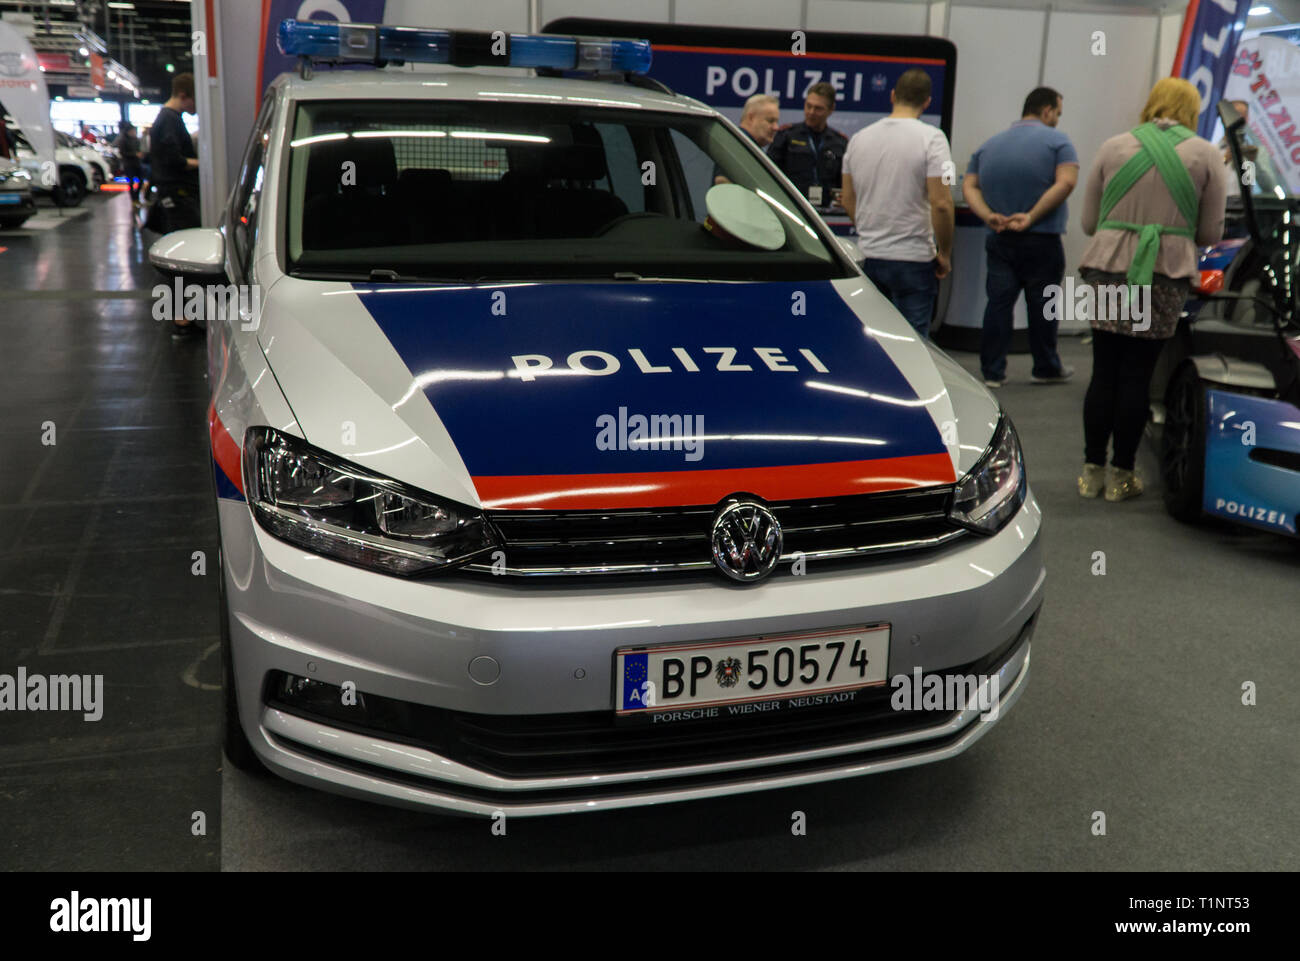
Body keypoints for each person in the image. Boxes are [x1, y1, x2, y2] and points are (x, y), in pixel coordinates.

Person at [1075, 77, 1225, 501]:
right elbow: (1210, 231)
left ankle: (1091, 472)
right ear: (1192, 110)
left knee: (1104, 368)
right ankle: (1122, 476)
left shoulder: (1113, 146)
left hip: (1108, 266)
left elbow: (1090, 223)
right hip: (1165, 269)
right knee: (1138, 374)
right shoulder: (1206, 154)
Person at [963, 87, 1079, 387]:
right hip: (1042, 238)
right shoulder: (1059, 142)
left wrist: (988, 214)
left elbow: (970, 186)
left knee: (998, 303)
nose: (1057, 120)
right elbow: (1067, 182)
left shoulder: (989, 146)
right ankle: (1045, 367)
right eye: (1058, 113)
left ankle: (992, 371)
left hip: (999, 237)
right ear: (1046, 111)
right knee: (1043, 305)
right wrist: (1031, 216)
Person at [840, 68, 953, 338]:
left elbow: (846, 198)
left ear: (892, 95)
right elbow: (942, 203)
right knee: (914, 345)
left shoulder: (859, 139)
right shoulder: (934, 139)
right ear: (927, 102)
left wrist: (870, 227)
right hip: (913, 257)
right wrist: (945, 253)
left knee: (873, 340)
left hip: (869, 256)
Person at [768, 82, 847, 207]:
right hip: (793, 208)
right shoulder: (786, 135)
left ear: (831, 109)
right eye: (808, 106)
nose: (811, 112)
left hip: (827, 212)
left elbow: (844, 185)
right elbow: (770, 175)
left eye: (818, 108)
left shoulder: (840, 143)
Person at [150, 72, 200, 235]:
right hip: (177, 193)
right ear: (183, 95)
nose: (196, 106)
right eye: (194, 100)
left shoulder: (170, 118)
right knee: (186, 235)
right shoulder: (168, 120)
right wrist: (202, 163)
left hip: (177, 192)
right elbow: (174, 160)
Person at [713, 94, 780, 184]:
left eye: (776, 122)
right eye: (770, 121)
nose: (776, 127)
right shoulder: (737, 144)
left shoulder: (749, 146)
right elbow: (722, 181)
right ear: (751, 118)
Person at [114, 121, 144, 206]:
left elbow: (139, 149)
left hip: (137, 163)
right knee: (131, 182)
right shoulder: (123, 140)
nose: (134, 132)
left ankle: (136, 197)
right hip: (128, 164)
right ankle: (133, 199)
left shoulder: (136, 140)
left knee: (140, 181)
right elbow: (122, 152)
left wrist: (139, 154)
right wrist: (134, 154)